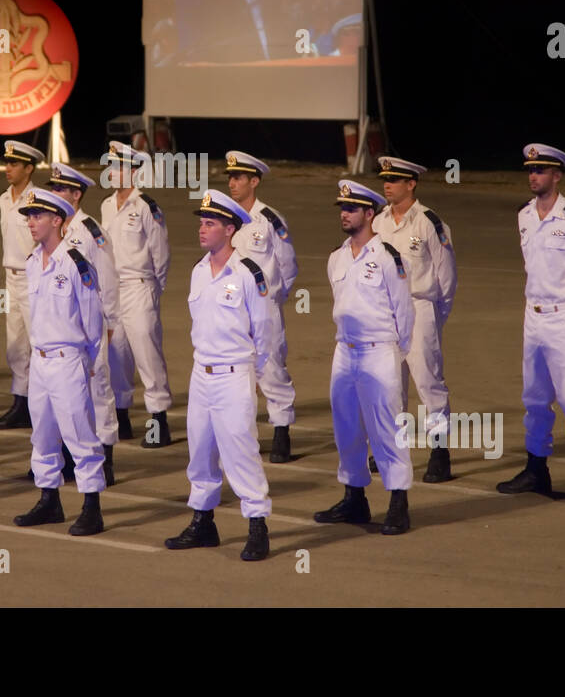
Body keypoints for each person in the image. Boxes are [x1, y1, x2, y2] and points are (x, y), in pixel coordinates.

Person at [164, 190, 276, 560]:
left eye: (209, 223)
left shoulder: (248, 273)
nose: (202, 228)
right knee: (200, 451)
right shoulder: (198, 271)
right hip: (202, 374)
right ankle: (203, 522)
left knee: (240, 452)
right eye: (201, 222)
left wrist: (255, 377)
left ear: (229, 229)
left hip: (233, 374)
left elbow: (264, 331)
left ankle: (257, 526)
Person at [498, 145, 565, 504]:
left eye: (541, 170)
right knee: (535, 398)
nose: (533, 175)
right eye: (530, 169)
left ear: (557, 175)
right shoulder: (524, 215)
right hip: (533, 315)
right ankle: (536, 468)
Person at [315, 180, 415, 534]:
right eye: (342, 208)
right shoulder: (336, 257)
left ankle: (398, 501)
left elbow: (404, 312)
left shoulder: (389, 257)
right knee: (347, 428)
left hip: (378, 351)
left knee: (387, 428)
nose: (344, 214)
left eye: (351, 209)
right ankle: (354, 498)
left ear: (369, 214)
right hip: (345, 351)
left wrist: (395, 351)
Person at [11, 189, 107, 536]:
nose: (31, 222)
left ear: (57, 220)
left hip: (68, 359)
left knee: (79, 435)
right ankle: (49, 499)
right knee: (43, 436)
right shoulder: (33, 261)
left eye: (37, 216)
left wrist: (88, 359)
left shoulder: (77, 262)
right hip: (40, 361)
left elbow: (94, 321)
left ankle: (92, 506)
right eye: (29, 216)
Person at [372, 156, 458, 482]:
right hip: (385, 311)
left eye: (394, 179)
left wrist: (435, 316)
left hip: (420, 306)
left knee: (428, 382)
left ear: (411, 183)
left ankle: (440, 452)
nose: (387, 184)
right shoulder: (378, 223)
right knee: (390, 385)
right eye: (385, 178)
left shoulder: (429, 223)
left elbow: (446, 279)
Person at [224, 151, 299, 462]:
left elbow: (288, 265)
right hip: (231, 308)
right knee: (236, 370)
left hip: (263, 307)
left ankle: (281, 430)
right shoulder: (224, 217)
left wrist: (271, 299)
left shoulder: (270, 219)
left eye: (238, 177)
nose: (232, 183)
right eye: (230, 177)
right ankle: (244, 435)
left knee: (270, 368)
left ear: (254, 181)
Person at [48, 162, 121, 485]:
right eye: (52, 188)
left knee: (97, 389)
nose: (54, 194)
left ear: (76, 195)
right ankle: (67, 456)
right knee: (66, 392)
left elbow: (107, 279)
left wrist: (109, 323)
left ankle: (105, 457)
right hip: (63, 326)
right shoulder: (55, 229)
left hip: (91, 325)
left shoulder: (90, 231)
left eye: (60, 189)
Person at [100, 141, 172, 447]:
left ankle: (159, 422)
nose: (112, 172)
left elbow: (161, 253)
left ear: (133, 171)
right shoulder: (106, 205)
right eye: (111, 166)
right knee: (116, 355)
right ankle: (123, 416)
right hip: (114, 289)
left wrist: (155, 289)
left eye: (118, 167)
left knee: (147, 354)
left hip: (140, 286)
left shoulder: (147, 207)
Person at [0, 140, 44, 430]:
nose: (8, 168)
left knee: (37, 342)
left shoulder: (38, 199)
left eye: (14, 164)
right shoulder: (4, 199)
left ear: (29, 168)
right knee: (15, 346)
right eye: (7, 163)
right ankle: (20, 402)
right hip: (10, 278)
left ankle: (36, 402)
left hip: (31, 278)